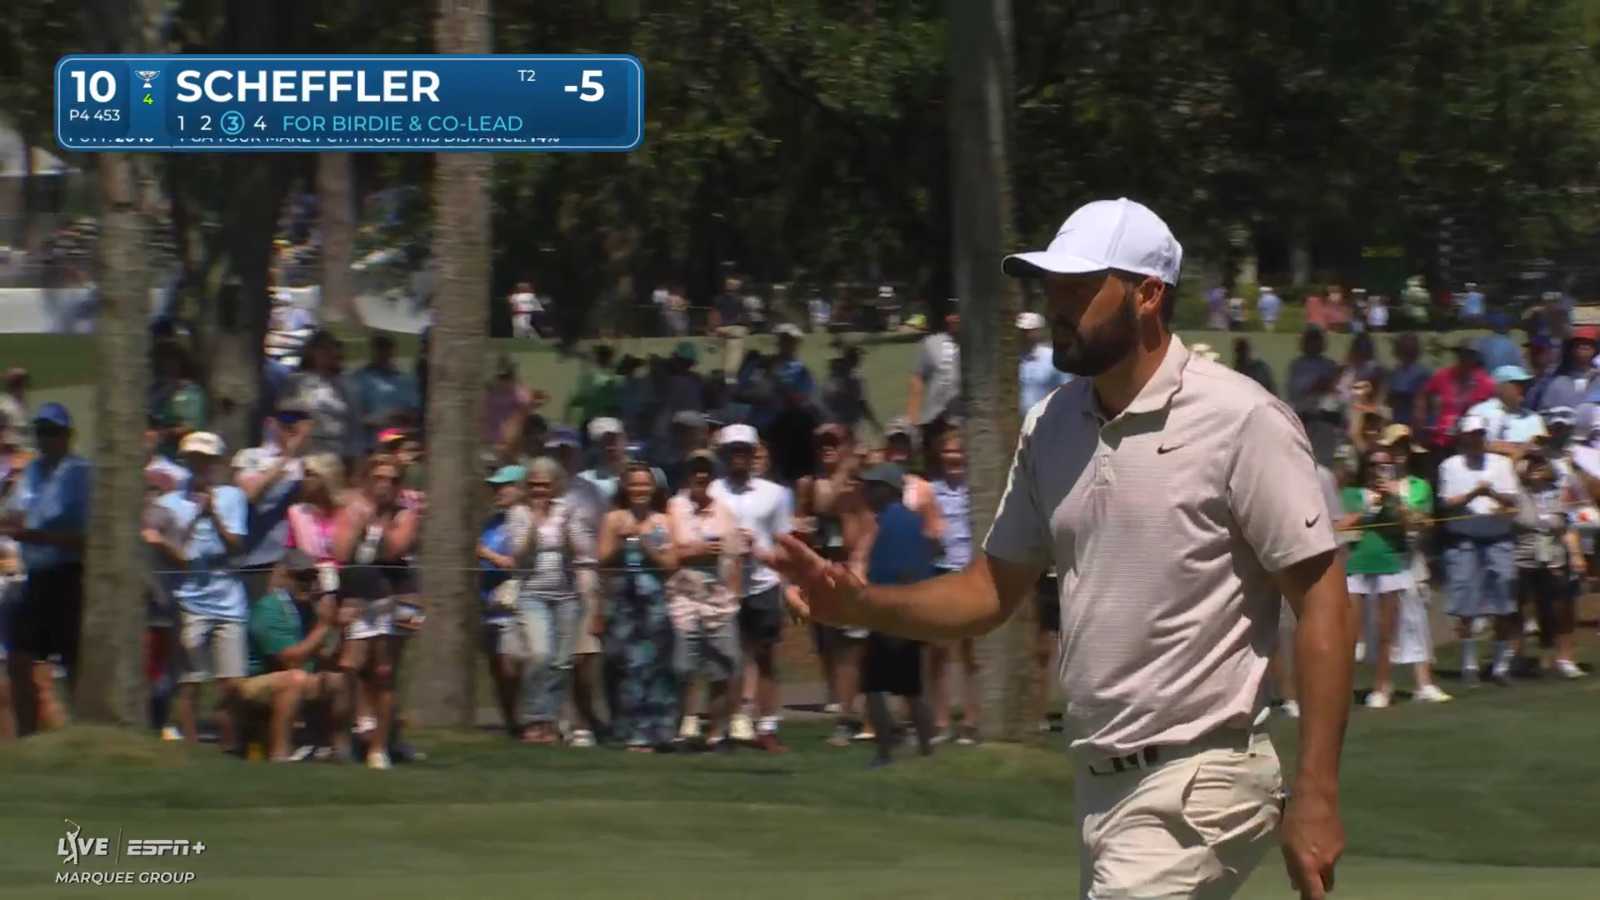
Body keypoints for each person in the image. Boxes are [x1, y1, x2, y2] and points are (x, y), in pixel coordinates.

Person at [771, 198, 1353, 900]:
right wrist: (861, 604)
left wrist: (1317, 792)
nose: (1057, 307)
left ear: (1147, 295)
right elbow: (988, 591)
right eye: (1052, 290)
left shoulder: (1241, 421)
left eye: (1079, 290)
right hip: (1100, 787)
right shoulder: (1054, 426)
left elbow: (1323, 601)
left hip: (1202, 782)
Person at [146, 432, 249, 750]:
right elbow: (180, 554)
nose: (199, 465)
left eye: (206, 459)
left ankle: (229, 744)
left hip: (229, 601)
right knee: (190, 679)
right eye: (194, 459)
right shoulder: (170, 503)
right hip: (190, 601)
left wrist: (214, 514)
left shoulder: (233, 496)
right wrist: (188, 523)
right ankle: (191, 744)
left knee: (231, 682)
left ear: (216, 463)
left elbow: (236, 547)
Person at [3, 403, 90, 734]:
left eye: (52, 431)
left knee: (73, 662)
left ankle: (83, 732)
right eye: (41, 431)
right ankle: (27, 737)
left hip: (70, 576)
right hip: (35, 578)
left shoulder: (81, 473)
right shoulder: (31, 472)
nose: (45, 438)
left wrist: (42, 536)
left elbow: (91, 539)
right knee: (20, 659)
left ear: (68, 435)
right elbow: (15, 516)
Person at [1337, 447, 1446, 709]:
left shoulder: (1400, 495)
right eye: (1374, 465)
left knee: (1387, 634)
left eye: (1385, 465)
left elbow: (1416, 525)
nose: (1379, 470)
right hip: (1356, 567)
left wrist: (1395, 499)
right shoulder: (1352, 494)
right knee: (1347, 634)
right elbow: (1341, 526)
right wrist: (1369, 509)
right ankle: (1339, 689)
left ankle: (1382, 687)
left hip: (1390, 565)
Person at [710, 424, 794, 752]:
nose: (739, 457)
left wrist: (761, 553)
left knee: (766, 656)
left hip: (763, 583)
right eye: (733, 451)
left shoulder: (774, 493)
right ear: (725, 454)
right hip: (724, 585)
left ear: (753, 453)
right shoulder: (714, 491)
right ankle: (726, 726)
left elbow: (784, 542)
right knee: (725, 658)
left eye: (745, 450)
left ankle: (768, 724)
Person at [334, 455, 421, 769]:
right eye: (379, 478)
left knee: (384, 673)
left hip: (393, 597)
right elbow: (341, 553)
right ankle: (347, 737)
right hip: (357, 597)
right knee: (350, 668)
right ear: (368, 479)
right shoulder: (352, 511)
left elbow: (394, 551)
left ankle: (381, 746)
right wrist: (361, 523)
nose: (385, 485)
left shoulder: (405, 514)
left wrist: (379, 526)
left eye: (393, 479)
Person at [506, 456, 596, 746]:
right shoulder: (518, 513)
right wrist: (535, 521)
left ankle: (551, 721)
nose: (539, 491)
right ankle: (534, 719)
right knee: (541, 655)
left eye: (544, 485)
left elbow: (582, 551)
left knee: (561, 662)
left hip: (566, 595)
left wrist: (568, 528)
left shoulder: (567, 509)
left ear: (555, 485)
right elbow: (519, 555)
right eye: (533, 485)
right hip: (533, 592)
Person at [856, 463, 937, 768]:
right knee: (910, 690)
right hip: (900, 616)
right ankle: (925, 752)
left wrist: (894, 622)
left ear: (888, 490)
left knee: (878, 687)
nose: (866, 491)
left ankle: (887, 753)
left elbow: (905, 573)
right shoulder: (903, 521)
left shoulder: (896, 523)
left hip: (894, 618)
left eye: (872, 486)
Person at [597, 463, 679, 751]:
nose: (640, 490)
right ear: (625, 488)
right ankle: (631, 729)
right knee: (629, 666)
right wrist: (621, 544)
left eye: (645, 484)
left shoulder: (663, 521)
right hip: (623, 603)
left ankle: (658, 730)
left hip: (655, 603)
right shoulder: (613, 519)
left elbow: (671, 564)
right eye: (634, 484)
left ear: (653, 488)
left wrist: (646, 546)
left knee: (656, 667)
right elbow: (602, 562)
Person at [666, 451, 744, 748]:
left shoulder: (724, 511)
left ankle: (716, 732)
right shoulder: (674, 507)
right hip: (684, 598)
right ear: (687, 474)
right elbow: (670, 554)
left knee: (723, 666)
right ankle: (681, 728)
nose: (701, 475)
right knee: (683, 667)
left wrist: (735, 597)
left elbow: (734, 555)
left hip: (719, 600)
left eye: (706, 471)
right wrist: (698, 551)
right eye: (695, 470)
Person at [795, 425, 868, 744]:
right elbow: (818, 509)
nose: (828, 448)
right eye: (822, 443)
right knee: (827, 638)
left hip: (853, 567)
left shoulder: (860, 480)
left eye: (834, 443)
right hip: (822, 565)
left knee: (853, 642)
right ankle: (837, 697)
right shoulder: (810, 484)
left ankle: (853, 707)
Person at [1437, 415, 1521, 687]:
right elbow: (1447, 503)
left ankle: (1500, 666)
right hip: (1466, 541)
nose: (1476, 440)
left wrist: (1493, 495)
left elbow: (1512, 498)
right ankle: (1469, 665)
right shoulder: (1450, 466)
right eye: (1471, 435)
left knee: (1504, 602)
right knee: (1466, 606)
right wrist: (1476, 493)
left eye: (1480, 435)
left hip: (1499, 538)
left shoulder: (1502, 464)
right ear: (1462, 437)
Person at [1371, 425, 1451, 704]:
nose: (1398, 454)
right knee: (1385, 627)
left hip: (1411, 559)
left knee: (1417, 622)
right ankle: (1382, 687)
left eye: (1402, 448)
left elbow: (1423, 523)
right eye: (1393, 448)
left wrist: (1400, 500)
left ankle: (1423, 683)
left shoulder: (1420, 485)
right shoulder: (1373, 485)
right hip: (1383, 560)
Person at [238, 549, 338, 761]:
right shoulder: (270, 607)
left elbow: (326, 656)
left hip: (292, 676)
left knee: (339, 680)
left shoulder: (308, 609)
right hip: (254, 682)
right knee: (295, 679)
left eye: (311, 577)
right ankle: (280, 754)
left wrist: (341, 629)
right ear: (285, 576)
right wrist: (323, 627)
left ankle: (334, 750)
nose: (307, 583)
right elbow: (290, 659)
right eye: (300, 577)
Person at [1512, 449, 1587, 680]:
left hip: (1554, 558)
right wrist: (1526, 454)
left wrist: (1576, 555)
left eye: (1540, 464)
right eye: (1531, 464)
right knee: (1521, 610)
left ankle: (1564, 659)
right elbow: (1514, 468)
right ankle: (1518, 659)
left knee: (1560, 609)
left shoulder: (1559, 495)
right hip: (1523, 557)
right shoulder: (1517, 493)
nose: (1535, 468)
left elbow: (1568, 528)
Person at [925, 432, 980, 745]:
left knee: (971, 652)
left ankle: (972, 720)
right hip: (941, 573)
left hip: (970, 574)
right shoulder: (930, 492)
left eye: (959, 450)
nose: (953, 456)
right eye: (948, 451)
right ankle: (941, 720)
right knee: (939, 652)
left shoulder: (978, 491)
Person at [231, 402, 311, 607]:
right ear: (270, 423)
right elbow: (251, 495)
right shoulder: (249, 456)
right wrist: (285, 459)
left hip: (292, 560)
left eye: (298, 421)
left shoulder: (307, 464)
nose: (291, 428)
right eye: (285, 421)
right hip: (255, 558)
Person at [477, 465, 528, 737]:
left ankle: (528, 718)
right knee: (496, 667)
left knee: (511, 665)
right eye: (495, 487)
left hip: (513, 602)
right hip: (489, 602)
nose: (498, 492)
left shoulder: (524, 521)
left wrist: (484, 553)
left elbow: (517, 563)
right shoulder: (492, 522)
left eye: (504, 486)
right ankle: (511, 723)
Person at [286, 330, 360, 463]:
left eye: (330, 349)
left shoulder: (345, 384)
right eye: (322, 349)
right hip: (305, 452)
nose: (327, 354)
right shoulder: (296, 381)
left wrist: (353, 455)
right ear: (311, 353)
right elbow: (285, 419)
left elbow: (353, 423)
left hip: (337, 452)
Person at [1416, 344, 1495, 455]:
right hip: (1442, 438)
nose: (1465, 360)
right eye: (1462, 355)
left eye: (1470, 356)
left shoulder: (1485, 382)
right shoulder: (1443, 375)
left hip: (1469, 440)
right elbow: (1423, 394)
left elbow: (1495, 407)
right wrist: (1421, 418)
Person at [347, 332, 421, 451]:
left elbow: (414, 412)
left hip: (398, 440)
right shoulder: (359, 378)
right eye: (379, 347)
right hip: (368, 443)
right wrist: (375, 419)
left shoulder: (406, 380)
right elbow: (351, 414)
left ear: (393, 350)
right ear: (373, 350)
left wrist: (396, 414)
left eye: (386, 347)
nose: (383, 352)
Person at [906, 311, 962, 458]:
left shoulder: (977, 343)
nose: (956, 318)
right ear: (947, 318)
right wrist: (913, 419)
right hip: (934, 419)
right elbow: (917, 379)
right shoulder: (931, 343)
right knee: (932, 463)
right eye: (952, 314)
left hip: (963, 420)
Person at [1287, 326, 1343, 465]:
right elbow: (1299, 391)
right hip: (1305, 420)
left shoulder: (1330, 365)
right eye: (1310, 339)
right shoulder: (1297, 366)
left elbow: (1337, 393)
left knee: (1325, 461)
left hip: (1326, 421)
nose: (1314, 343)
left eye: (1316, 339)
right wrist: (1322, 383)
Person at [1467, 366, 1547, 460]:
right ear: (1500, 386)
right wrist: (1521, 449)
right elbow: (1473, 446)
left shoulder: (1534, 418)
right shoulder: (1480, 412)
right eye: (1519, 384)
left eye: (1526, 385)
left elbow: (1544, 448)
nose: (1525, 389)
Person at [1018, 311, 1072, 414]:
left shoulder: (1052, 358)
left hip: (1043, 421)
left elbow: (1066, 391)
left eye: (1031, 330)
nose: (1026, 335)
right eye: (1023, 331)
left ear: (1039, 331)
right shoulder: (1012, 360)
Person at [1535, 326, 1599, 412]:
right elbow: (1544, 412)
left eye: (1589, 343)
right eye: (1579, 344)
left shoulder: (1598, 380)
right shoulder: (1558, 382)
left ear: (1595, 349)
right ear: (1572, 349)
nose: (1584, 347)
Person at [1385, 333, 1432, 429]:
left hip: (1414, 423)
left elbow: (1423, 403)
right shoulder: (1394, 373)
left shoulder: (1422, 373)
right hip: (1398, 420)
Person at [710, 275, 749, 383]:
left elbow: (743, 317)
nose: (731, 287)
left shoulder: (739, 300)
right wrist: (713, 329)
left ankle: (730, 376)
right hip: (726, 329)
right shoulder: (720, 299)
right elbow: (714, 315)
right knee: (737, 338)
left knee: (737, 337)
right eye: (730, 284)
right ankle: (730, 378)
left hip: (731, 329)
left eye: (733, 284)